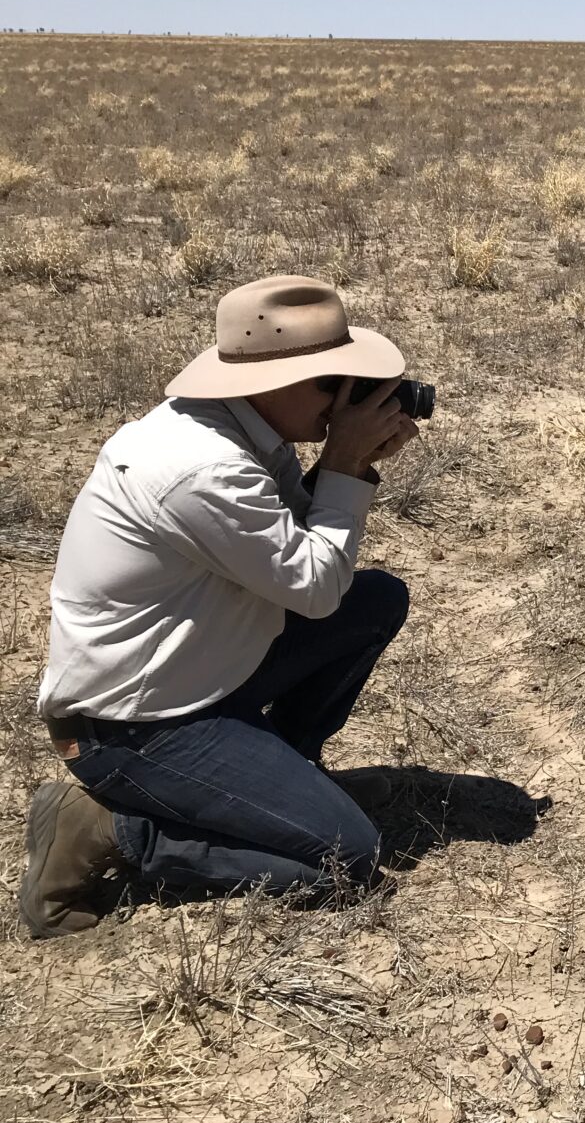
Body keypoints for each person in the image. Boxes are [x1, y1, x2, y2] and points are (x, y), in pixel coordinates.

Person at [19, 275, 420, 938]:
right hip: (133, 725)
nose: (345, 399)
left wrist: (349, 464)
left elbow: (291, 548)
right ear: (270, 380)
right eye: (331, 383)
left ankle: (289, 775)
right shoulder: (203, 467)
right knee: (346, 859)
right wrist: (345, 463)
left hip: (200, 670)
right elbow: (315, 587)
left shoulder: (241, 429)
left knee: (375, 600)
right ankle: (106, 828)